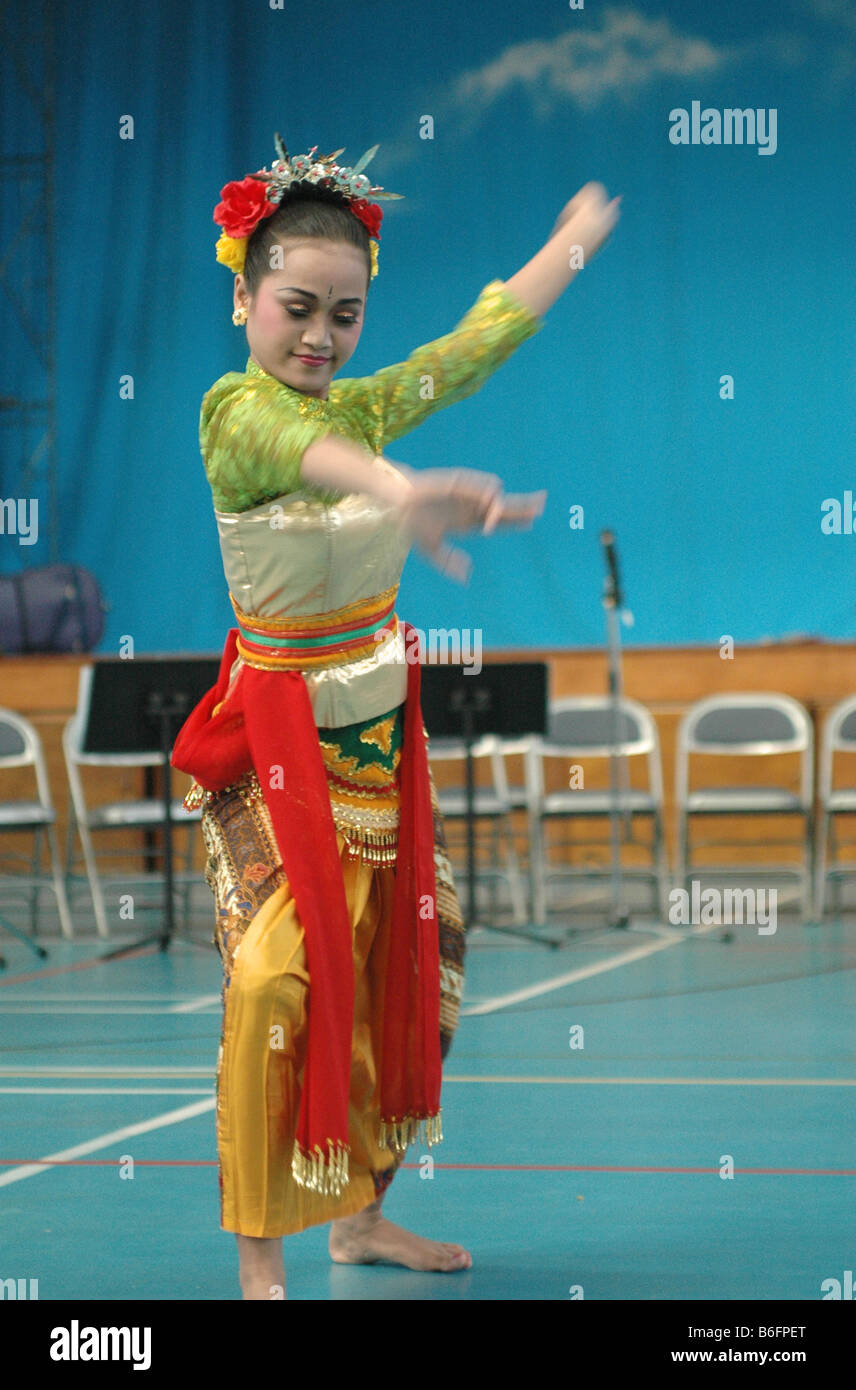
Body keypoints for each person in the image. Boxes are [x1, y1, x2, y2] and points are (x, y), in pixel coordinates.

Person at [171, 133, 620, 1300]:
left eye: (345, 315)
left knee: (413, 976)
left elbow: (470, 348)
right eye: (297, 309)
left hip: (382, 758)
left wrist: (568, 246)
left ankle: (362, 1221)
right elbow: (297, 447)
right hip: (273, 756)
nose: (321, 337)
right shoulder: (236, 413)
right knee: (276, 981)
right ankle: (260, 1261)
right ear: (244, 299)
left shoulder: (366, 404)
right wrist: (399, 488)